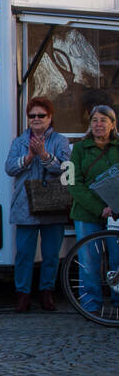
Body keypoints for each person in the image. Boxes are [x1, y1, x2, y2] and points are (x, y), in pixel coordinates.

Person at [4, 97, 72, 311]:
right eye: (31, 115)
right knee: (24, 253)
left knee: (51, 254)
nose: (35, 119)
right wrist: (28, 157)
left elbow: (66, 170)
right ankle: (23, 295)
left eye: (41, 115)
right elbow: (9, 168)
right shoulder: (19, 141)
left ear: (50, 117)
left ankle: (47, 293)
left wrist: (43, 155)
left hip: (54, 203)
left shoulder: (60, 141)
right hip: (26, 203)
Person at [67, 104, 119, 313]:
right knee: (88, 261)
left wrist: (112, 207)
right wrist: (100, 209)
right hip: (86, 213)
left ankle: (117, 301)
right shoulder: (78, 149)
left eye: (103, 120)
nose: (98, 125)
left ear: (112, 124)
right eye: (95, 120)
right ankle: (90, 305)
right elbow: (72, 182)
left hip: (116, 213)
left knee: (117, 259)